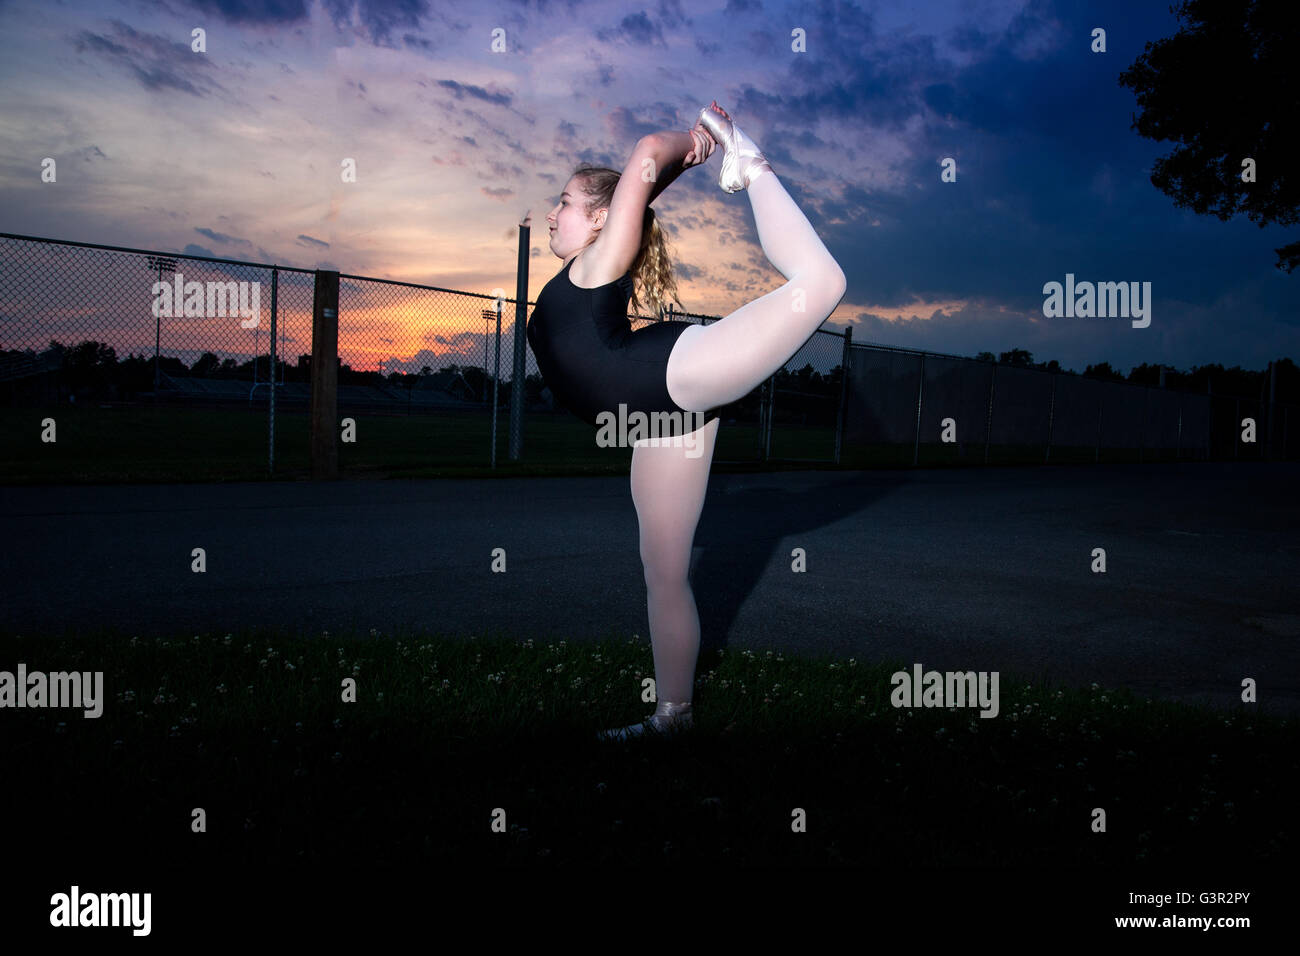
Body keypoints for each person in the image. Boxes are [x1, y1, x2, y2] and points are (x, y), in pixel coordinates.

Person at [526, 101, 848, 741]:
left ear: (597, 220)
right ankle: (673, 717)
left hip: (673, 373)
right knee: (665, 571)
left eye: (564, 202)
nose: (551, 214)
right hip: (659, 420)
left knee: (822, 281)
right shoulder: (583, 266)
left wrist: (701, 143)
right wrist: (680, 164)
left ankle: (752, 163)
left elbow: (647, 153)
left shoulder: (598, 264)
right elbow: (640, 186)